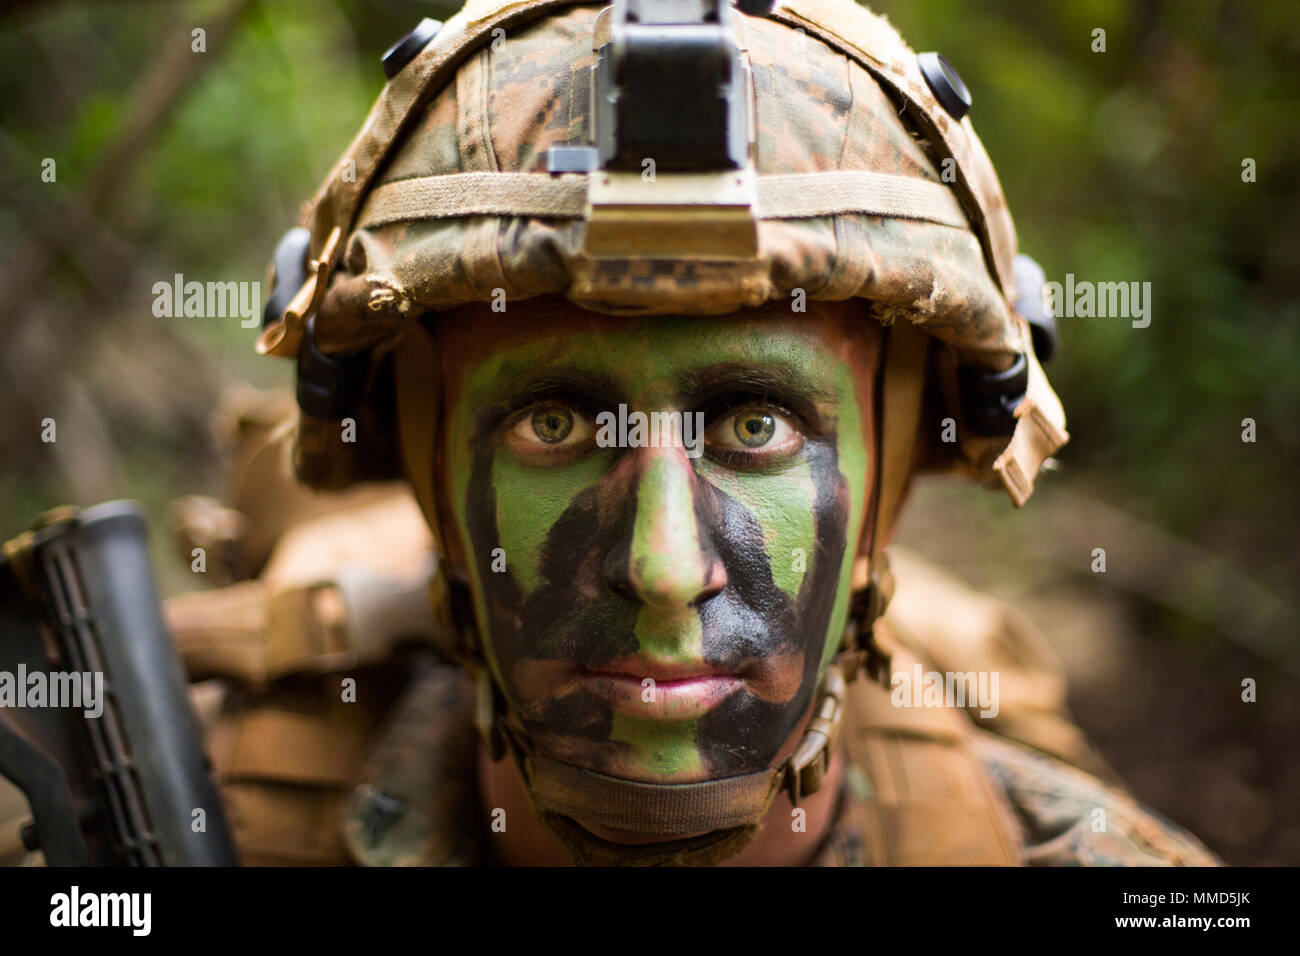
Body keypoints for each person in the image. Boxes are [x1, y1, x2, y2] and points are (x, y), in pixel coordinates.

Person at [163, 0, 1220, 866]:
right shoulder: (175, 820)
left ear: (888, 485)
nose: (664, 570)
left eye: (755, 424)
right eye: (553, 421)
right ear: (433, 478)